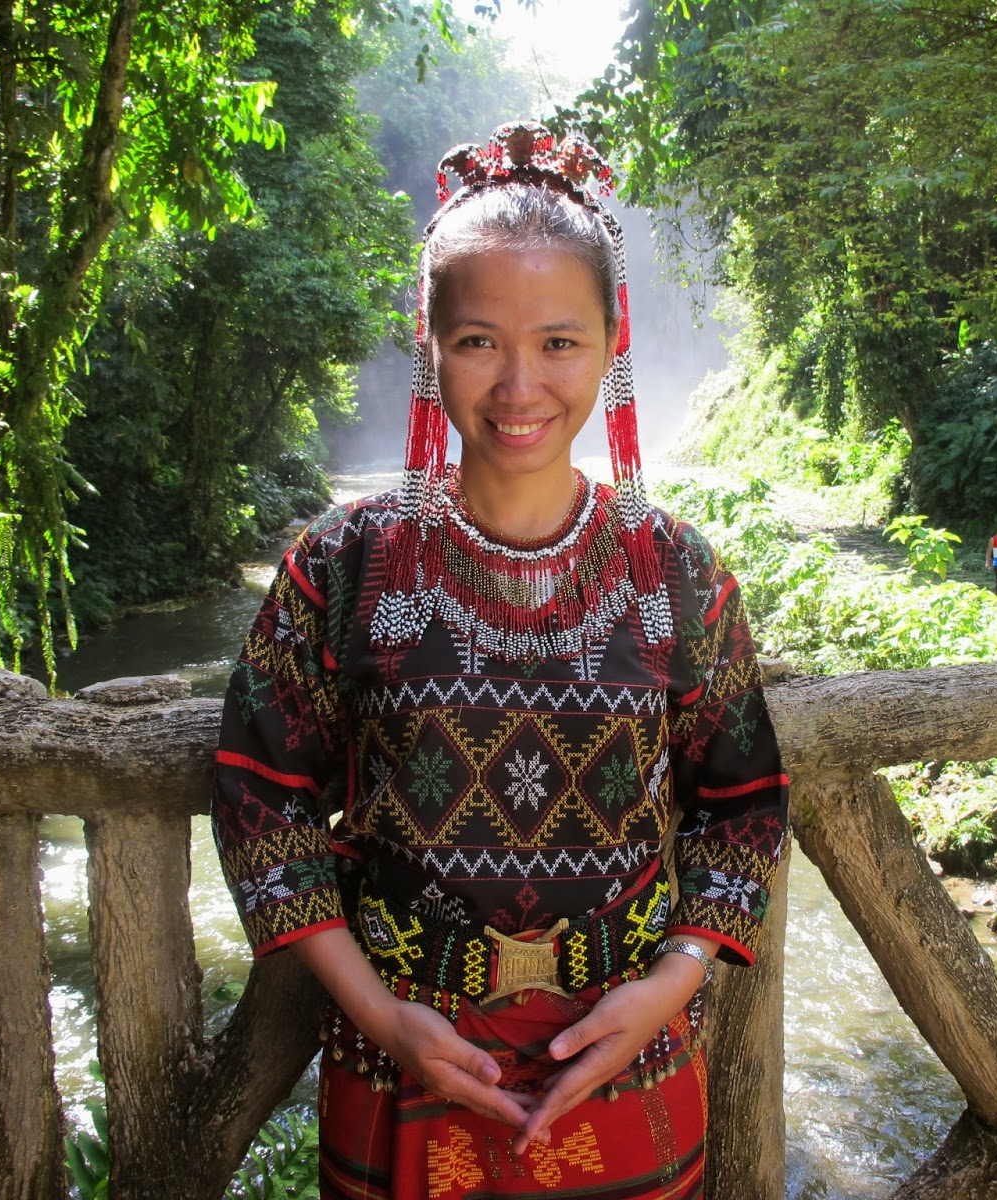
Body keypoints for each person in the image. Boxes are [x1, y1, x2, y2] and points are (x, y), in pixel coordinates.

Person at [211, 121, 788, 1200]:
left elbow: (744, 803)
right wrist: (379, 1010)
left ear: (613, 346)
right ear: (425, 342)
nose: (519, 384)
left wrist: (671, 983)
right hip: (402, 1074)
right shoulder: (344, 566)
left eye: (558, 342)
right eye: (479, 340)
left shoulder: (676, 573)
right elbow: (259, 803)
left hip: (631, 1071)